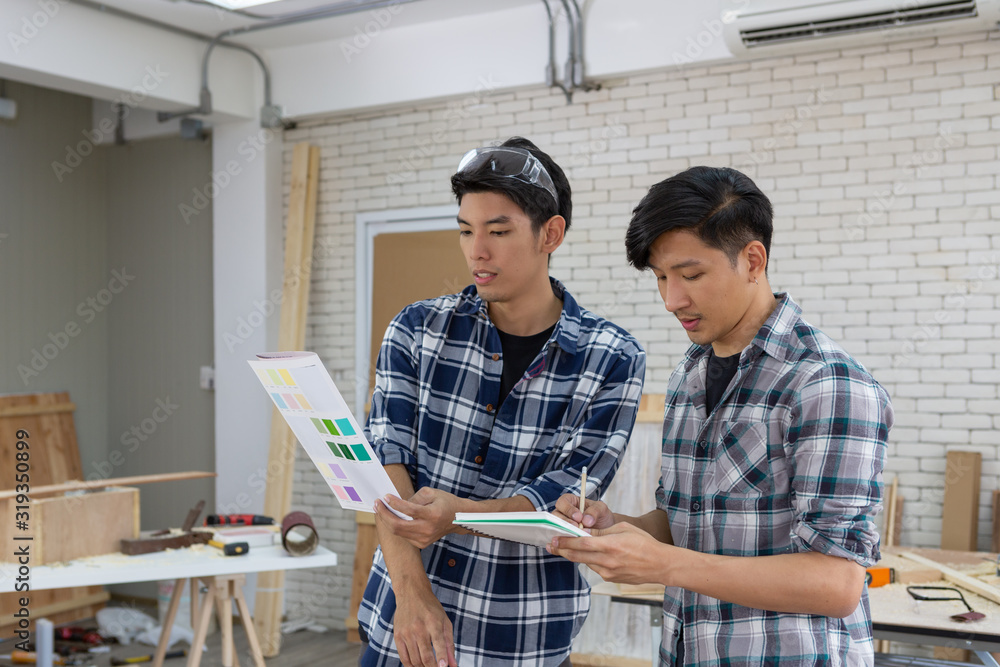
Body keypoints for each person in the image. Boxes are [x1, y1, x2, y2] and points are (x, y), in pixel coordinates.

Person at [548, 166, 893, 665]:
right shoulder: (690, 375)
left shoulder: (826, 384)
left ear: (753, 260)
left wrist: (666, 565)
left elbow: (835, 583)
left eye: (690, 275)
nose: (672, 300)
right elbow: (684, 522)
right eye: (661, 278)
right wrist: (616, 529)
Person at [358, 137, 646, 667]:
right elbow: (384, 463)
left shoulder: (611, 358)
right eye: (466, 231)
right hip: (402, 631)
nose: (476, 251)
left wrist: (456, 514)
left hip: (519, 637)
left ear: (550, 233)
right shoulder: (417, 330)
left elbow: (561, 500)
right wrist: (412, 594)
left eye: (498, 231)